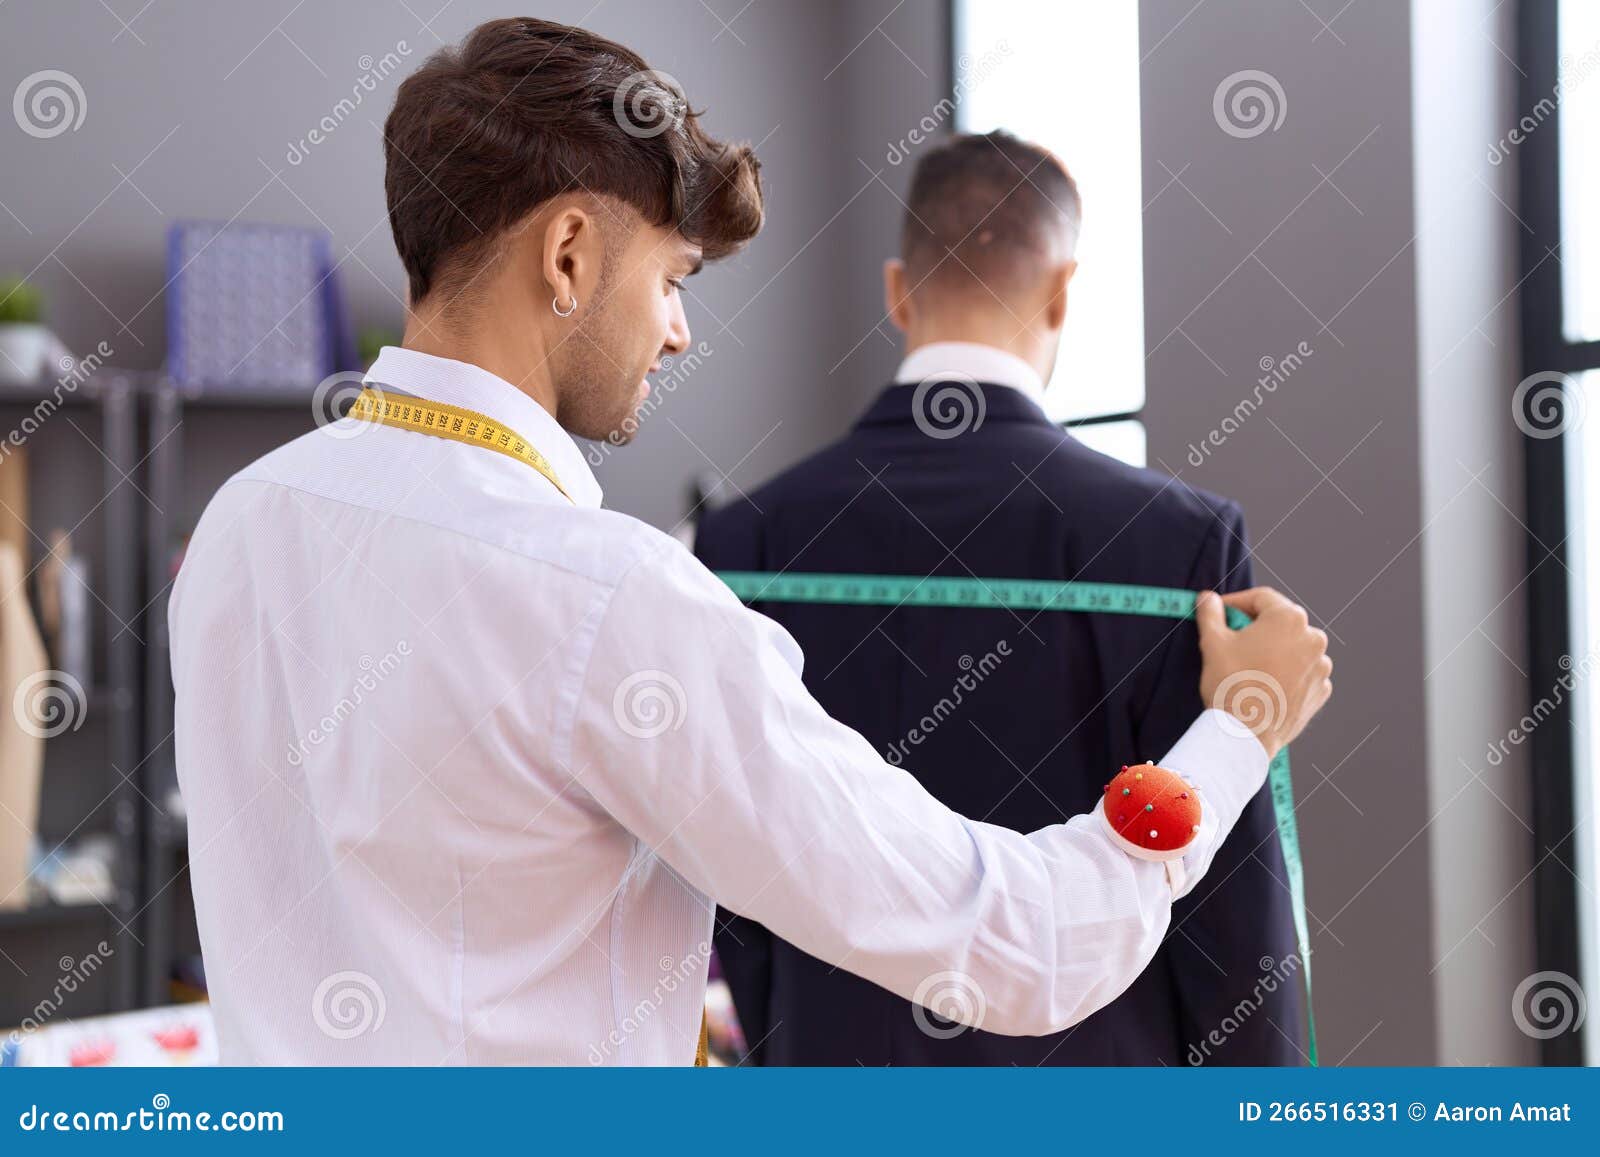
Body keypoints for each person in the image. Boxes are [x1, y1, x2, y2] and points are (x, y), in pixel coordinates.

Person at [168, 19, 1332, 1065]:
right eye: (673, 278)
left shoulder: (244, 520)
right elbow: (1018, 943)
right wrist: (1237, 731)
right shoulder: (603, 596)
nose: (676, 333)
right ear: (568, 255)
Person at [697, 131, 1310, 1065]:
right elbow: (1230, 908)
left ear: (898, 289)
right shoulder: (1174, 540)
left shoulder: (750, 540)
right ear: (1064, 290)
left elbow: (726, 877)